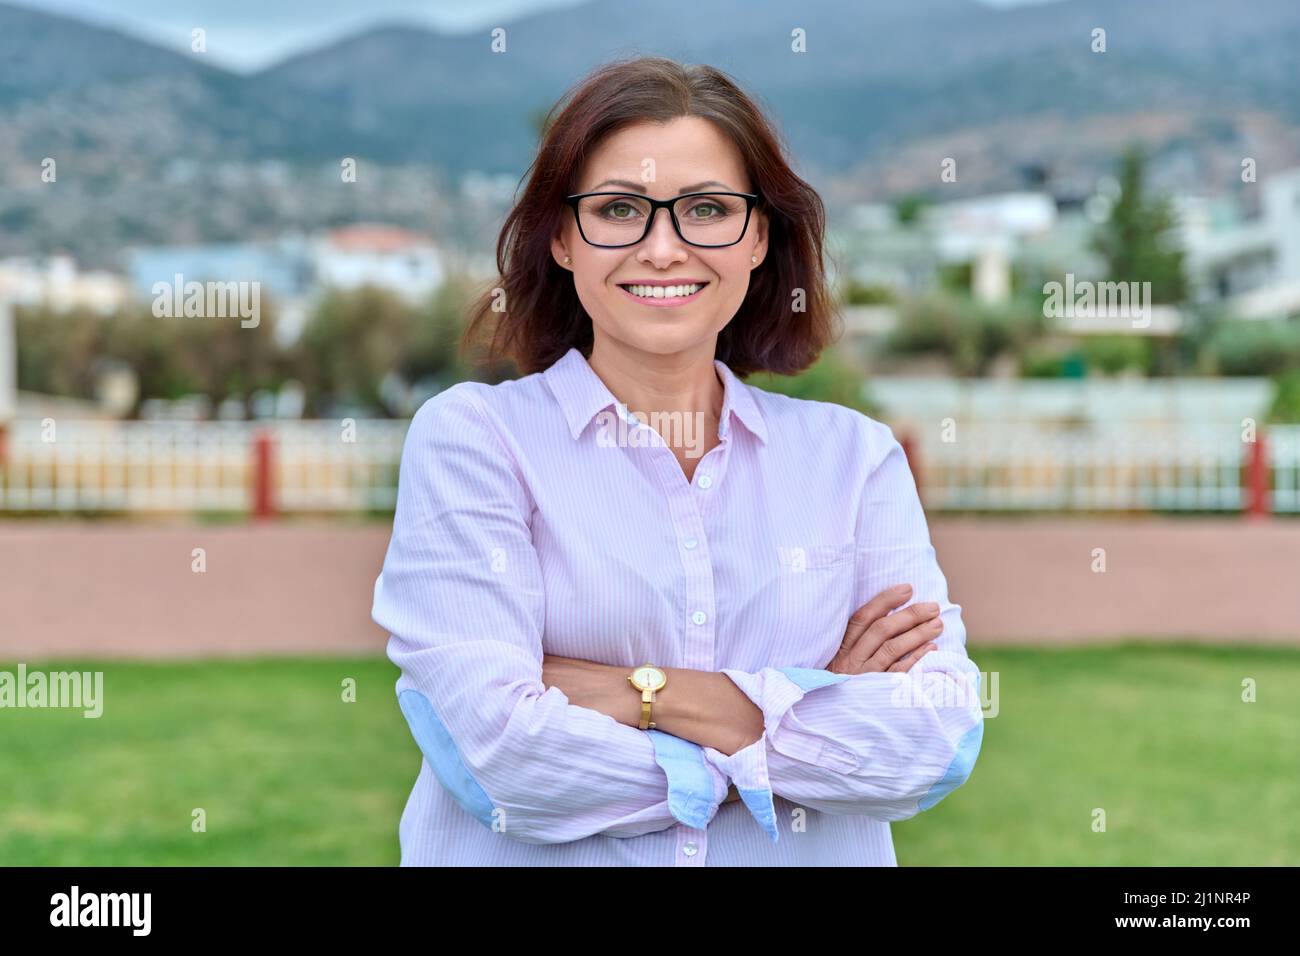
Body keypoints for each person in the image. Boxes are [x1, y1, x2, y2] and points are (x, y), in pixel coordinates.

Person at [372, 55, 983, 866]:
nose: (664, 248)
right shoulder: (475, 441)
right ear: (560, 237)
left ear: (759, 236)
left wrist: (641, 696)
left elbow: (930, 744)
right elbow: (503, 766)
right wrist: (804, 714)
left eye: (706, 209)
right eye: (620, 209)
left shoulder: (854, 459)